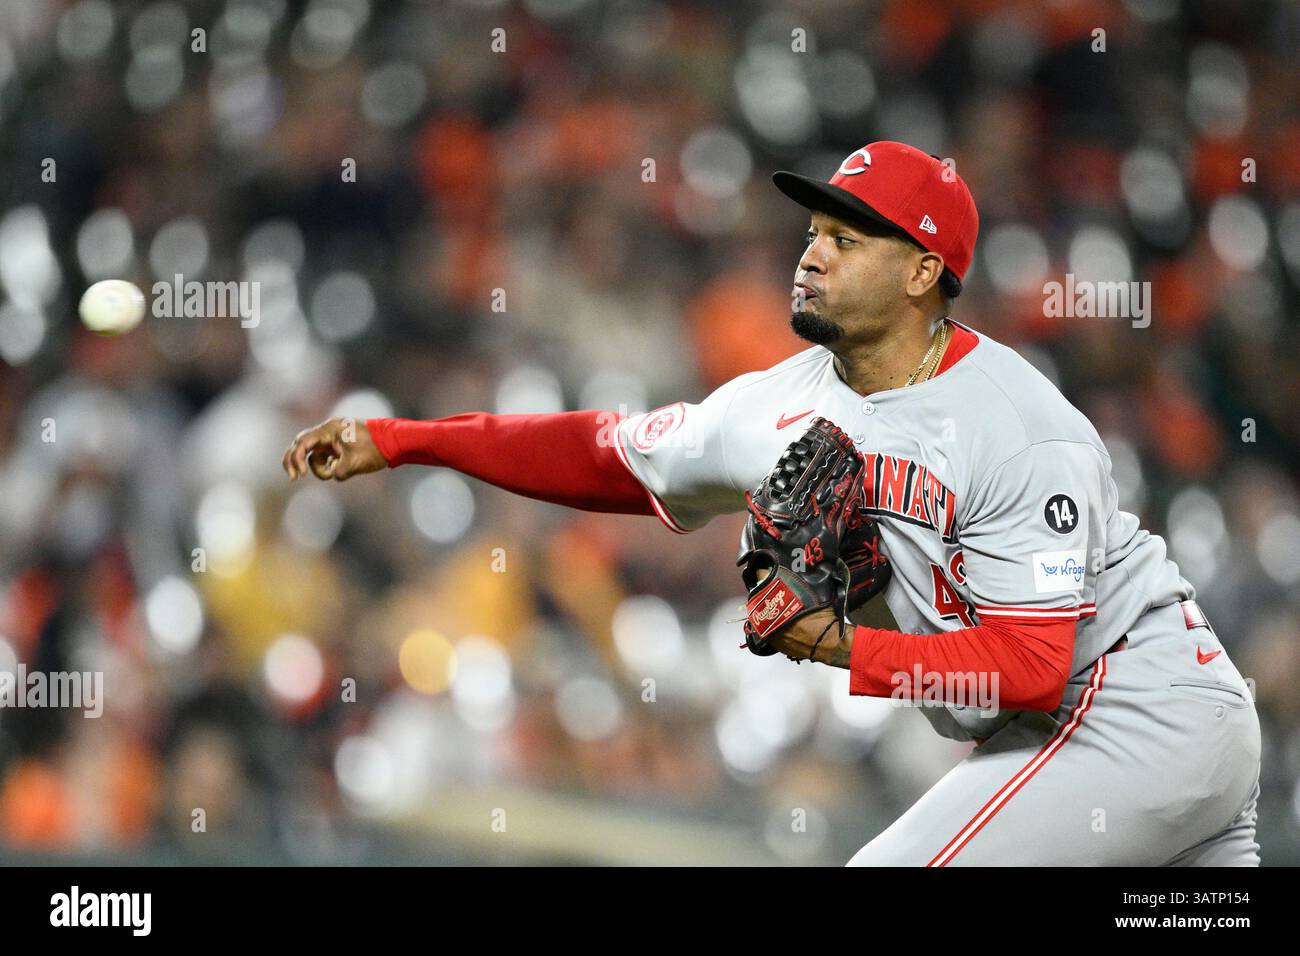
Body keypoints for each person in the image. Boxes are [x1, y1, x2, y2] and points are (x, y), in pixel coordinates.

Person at [283, 142, 1261, 866]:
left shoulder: (1019, 426)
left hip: (1129, 706)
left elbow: (1034, 669)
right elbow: (607, 454)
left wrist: (837, 643)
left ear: (925, 272)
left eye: (847, 237)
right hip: (1095, 738)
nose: (812, 254)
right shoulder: (778, 403)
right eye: (811, 232)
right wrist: (405, 440)